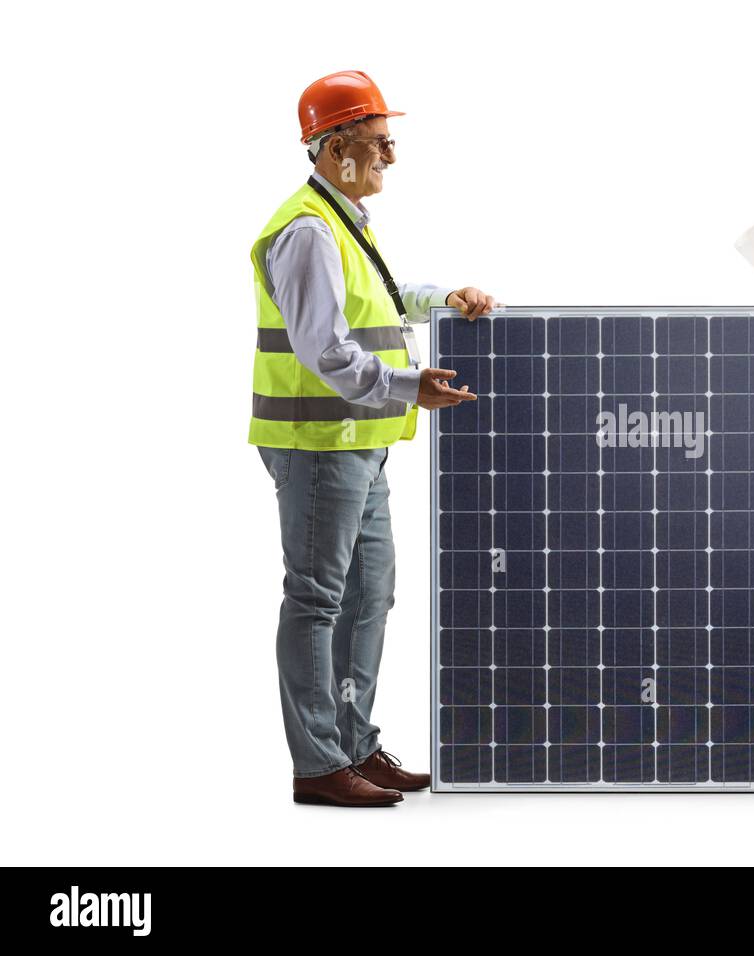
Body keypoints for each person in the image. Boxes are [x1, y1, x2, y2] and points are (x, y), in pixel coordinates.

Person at [249, 70, 497, 806]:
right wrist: (410, 387)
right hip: (319, 447)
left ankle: (355, 745)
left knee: (369, 598)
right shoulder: (305, 232)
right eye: (380, 140)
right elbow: (325, 352)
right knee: (319, 599)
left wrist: (445, 298)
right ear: (335, 146)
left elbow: (379, 306)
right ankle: (319, 763)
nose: (392, 155)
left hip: (362, 441)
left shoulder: (343, 221)